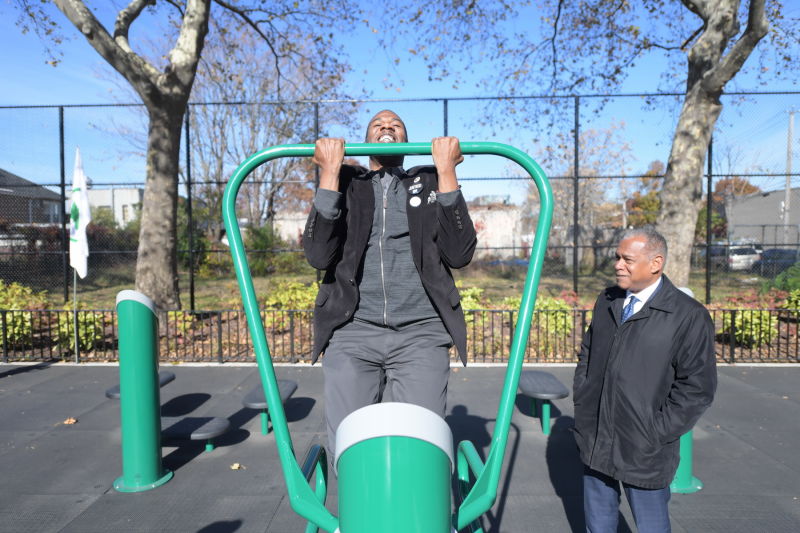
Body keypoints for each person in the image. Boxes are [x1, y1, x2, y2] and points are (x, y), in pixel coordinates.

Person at [303, 109, 477, 456]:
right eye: (377, 124)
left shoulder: (429, 180)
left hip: (421, 334)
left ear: (406, 140)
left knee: (421, 444)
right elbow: (319, 256)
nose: (386, 126)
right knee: (351, 445)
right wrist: (329, 172)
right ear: (366, 140)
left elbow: (459, 254)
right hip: (353, 330)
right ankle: (360, 508)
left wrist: (446, 170)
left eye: (396, 124)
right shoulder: (347, 182)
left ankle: (415, 508)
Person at [572, 227, 717, 533]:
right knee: (598, 524)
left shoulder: (687, 315)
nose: (617, 264)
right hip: (596, 435)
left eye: (627, 259)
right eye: (617, 257)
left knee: (651, 525)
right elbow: (588, 351)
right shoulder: (608, 300)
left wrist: (655, 430)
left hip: (645, 447)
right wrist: (584, 395)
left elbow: (697, 388)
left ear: (655, 263)